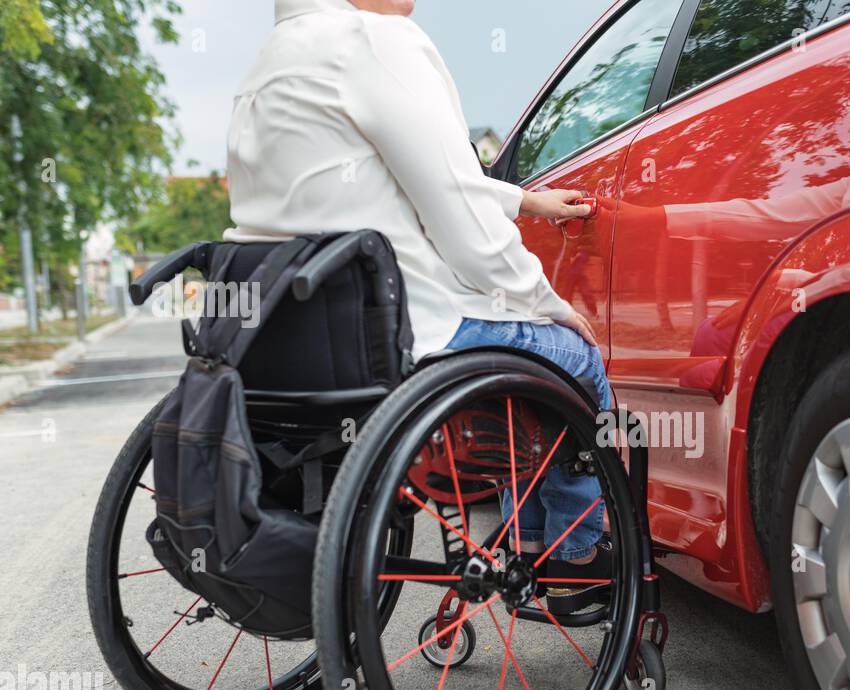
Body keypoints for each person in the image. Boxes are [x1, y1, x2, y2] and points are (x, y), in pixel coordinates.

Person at [225, 0, 612, 601]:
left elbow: (408, 171)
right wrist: (545, 301)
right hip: (408, 333)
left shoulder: (269, 62)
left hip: (289, 342)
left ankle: (533, 546)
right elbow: (456, 208)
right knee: (577, 363)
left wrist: (527, 202)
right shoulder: (378, 39)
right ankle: (578, 558)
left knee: (536, 354)